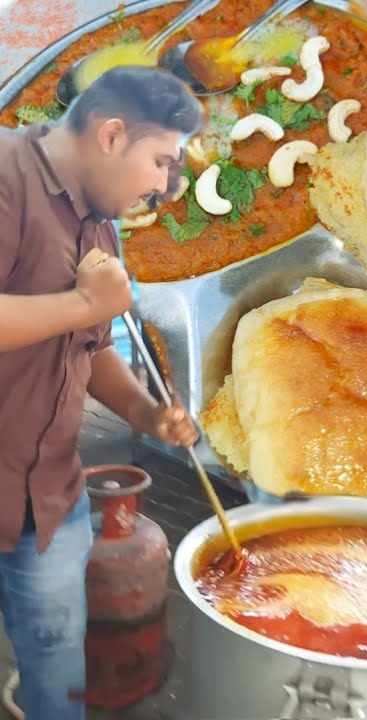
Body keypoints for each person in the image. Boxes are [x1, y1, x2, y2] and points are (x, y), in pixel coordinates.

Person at [0, 66, 202, 720]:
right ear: (113, 134)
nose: (162, 184)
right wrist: (85, 299)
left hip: (46, 495)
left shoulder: (99, 221)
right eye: (161, 161)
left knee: (57, 652)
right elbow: (83, 311)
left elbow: (96, 345)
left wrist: (147, 412)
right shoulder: (6, 175)